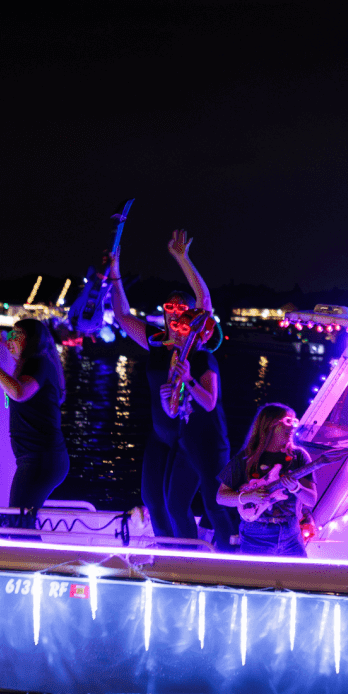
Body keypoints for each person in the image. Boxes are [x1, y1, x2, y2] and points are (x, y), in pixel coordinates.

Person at [107, 230, 233, 544]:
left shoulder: (196, 348)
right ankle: (167, 553)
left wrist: (182, 257)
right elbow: (122, 315)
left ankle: (190, 557)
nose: (173, 310)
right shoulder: (156, 341)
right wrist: (115, 273)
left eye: (181, 308)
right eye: (169, 306)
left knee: (177, 505)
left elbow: (204, 301)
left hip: (186, 436)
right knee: (153, 500)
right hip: (159, 433)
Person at [0, 317, 69, 525]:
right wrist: (2, 345)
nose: (12, 338)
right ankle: (37, 557)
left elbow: (18, 392)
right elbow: (14, 388)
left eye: (18, 335)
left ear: (32, 341)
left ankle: (36, 557)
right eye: (12, 333)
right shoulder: (28, 366)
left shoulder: (40, 363)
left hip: (42, 458)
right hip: (34, 458)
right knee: (22, 521)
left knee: (19, 522)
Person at [218, 403, 315, 556]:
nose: (293, 427)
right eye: (288, 422)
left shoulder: (300, 457)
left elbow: (311, 499)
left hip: (291, 534)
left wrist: (296, 488)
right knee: (256, 580)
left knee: (299, 580)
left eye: (295, 422)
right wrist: (248, 497)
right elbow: (221, 497)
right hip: (255, 534)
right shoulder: (246, 458)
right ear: (269, 424)